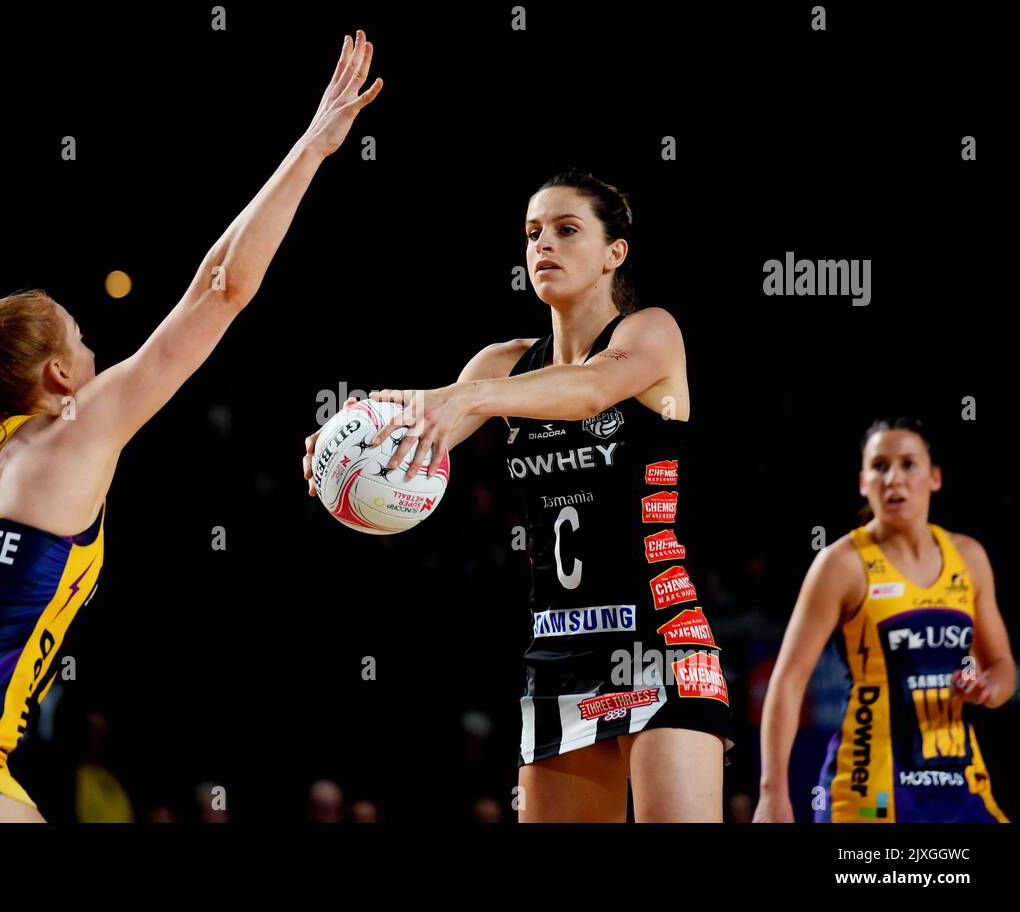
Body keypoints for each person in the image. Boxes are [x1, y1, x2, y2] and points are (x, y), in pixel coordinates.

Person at [0, 30, 383, 822]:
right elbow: (219, 291)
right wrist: (311, 148)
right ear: (58, 377)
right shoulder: (77, 432)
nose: (97, 355)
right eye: (85, 342)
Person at [302, 171, 730, 821]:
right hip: (557, 648)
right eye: (533, 233)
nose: (543, 245)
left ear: (615, 252)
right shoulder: (502, 366)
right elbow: (419, 440)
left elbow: (588, 391)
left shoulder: (651, 335)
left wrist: (467, 396)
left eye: (566, 230)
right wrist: (345, 452)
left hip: (656, 634)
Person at [755, 418, 1013, 822]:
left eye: (909, 464)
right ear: (863, 482)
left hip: (960, 782)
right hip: (871, 789)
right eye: (879, 466)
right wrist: (772, 795)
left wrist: (987, 689)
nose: (894, 478)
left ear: (935, 477)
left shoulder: (970, 557)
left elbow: (1002, 667)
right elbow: (787, 682)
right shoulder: (841, 564)